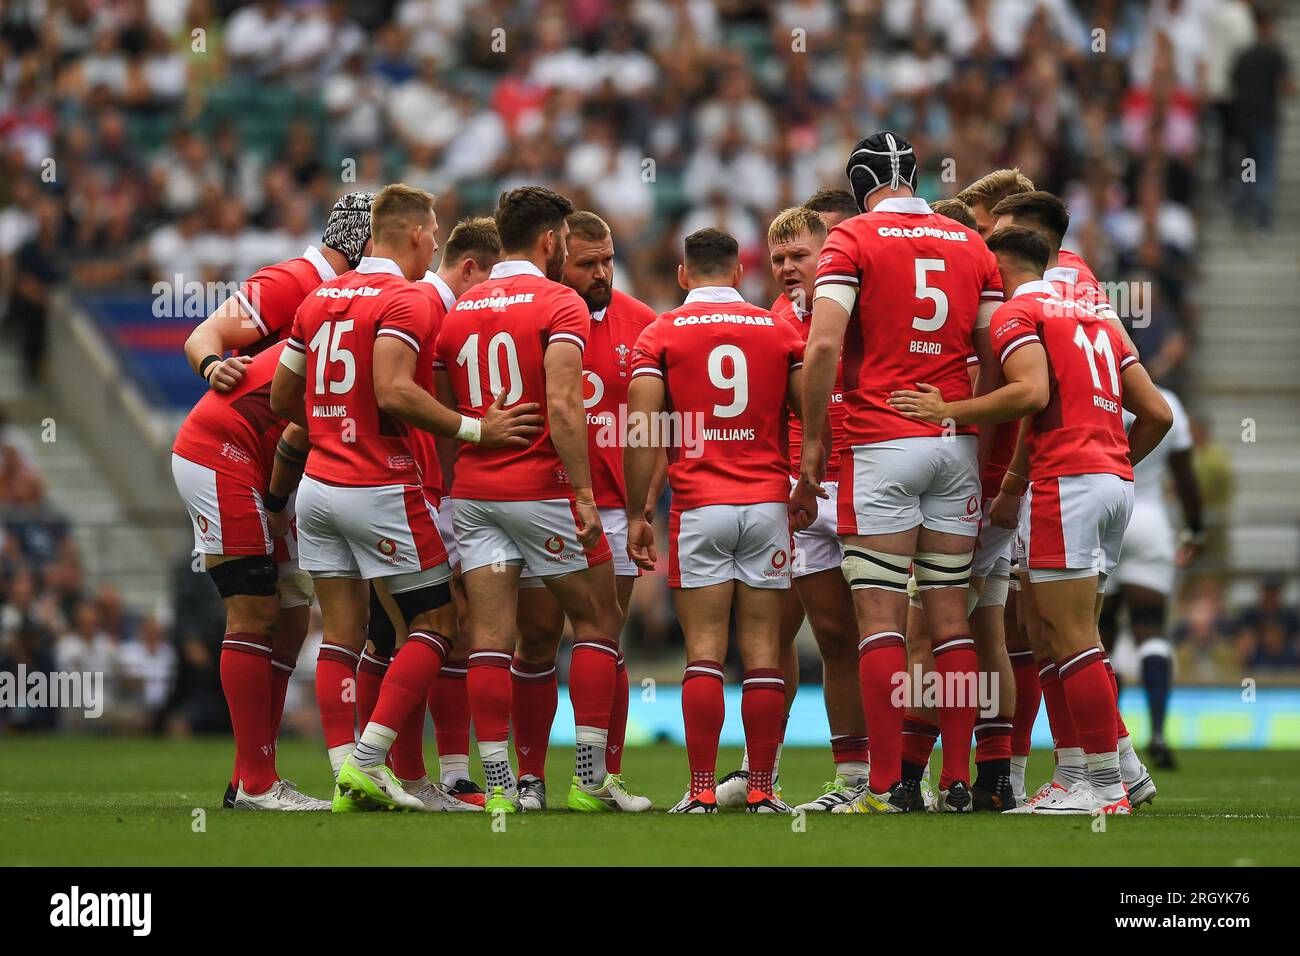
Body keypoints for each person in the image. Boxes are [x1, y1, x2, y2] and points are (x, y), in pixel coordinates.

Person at [270, 183, 541, 812]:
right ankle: (369, 760)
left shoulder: (320, 298)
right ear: (417, 235)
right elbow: (394, 392)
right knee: (438, 624)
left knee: (342, 632)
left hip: (317, 489)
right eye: (435, 233)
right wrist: (477, 428)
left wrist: (335, 422)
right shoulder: (407, 299)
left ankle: (346, 776)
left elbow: (284, 399)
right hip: (378, 485)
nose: (435, 245)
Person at [892, 224, 1173, 814]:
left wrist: (951, 408)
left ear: (1000, 269)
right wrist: (1110, 460)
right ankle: (1112, 768)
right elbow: (1157, 412)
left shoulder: (1017, 312)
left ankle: (1100, 786)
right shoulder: (1094, 313)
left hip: (1067, 484)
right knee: (1057, 635)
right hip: (1112, 483)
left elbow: (1030, 394)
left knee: (1069, 638)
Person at [797, 131, 1004, 813]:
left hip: (883, 439)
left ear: (859, 184)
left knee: (881, 619)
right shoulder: (970, 244)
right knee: (951, 620)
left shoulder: (851, 238)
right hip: (956, 440)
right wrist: (965, 416)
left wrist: (811, 447)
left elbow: (823, 342)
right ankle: (955, 781)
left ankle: (884, 785)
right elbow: (995, 354)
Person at [434, 186, 626, 814]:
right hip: (541, 490)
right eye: (568, 241)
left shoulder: (461, 309)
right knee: (599, 621)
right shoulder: (559, 302)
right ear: (551, 241)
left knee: (490, 637)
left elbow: (441, 410)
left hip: (474, 492)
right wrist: (581, 493)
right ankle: (590, 780)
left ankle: (499, 788)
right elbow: (567, 407)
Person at [625, 228, 806, 814]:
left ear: (684, 276)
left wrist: (637, 511)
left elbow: (644, 431)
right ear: (737, 274)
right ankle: (760, 788)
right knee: (760, 652)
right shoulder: (778, 329)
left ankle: (702, 790)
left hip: (700, 507)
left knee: (702, 652)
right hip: (766, 506)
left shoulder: (660, 331)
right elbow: (814, 413)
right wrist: (807, 482)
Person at [716, 205, 867, 813]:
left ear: (825, 253)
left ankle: (880, 776)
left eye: (798, 256)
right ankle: (765, 774)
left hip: (861, 483)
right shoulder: (774, 319)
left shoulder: (855, 308)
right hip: (799, 494)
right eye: (777, 259)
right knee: (795, 635)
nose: (785, 268)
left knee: (860, 637)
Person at [509, 210, 657, 812]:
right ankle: (527, 777)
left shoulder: (643, 324)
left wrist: (650, 499)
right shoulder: (536, 316)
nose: (601, 273)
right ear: (556, 258)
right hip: (542, 501)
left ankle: (603, 775)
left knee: (605, 637)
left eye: (608, 261)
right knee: (538, 637)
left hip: (615, 509)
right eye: (587, 263)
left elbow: (658, 427)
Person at [172, 341, 325, 810]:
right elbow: (297, 430)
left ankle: (248, 779)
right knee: (254, 611)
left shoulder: (348, 310)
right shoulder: (316, 295)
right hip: (226, 454)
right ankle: (258, 783)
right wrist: (211, 362)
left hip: (273, 467)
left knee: (294, 619)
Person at [1100, 386, 1201, 769]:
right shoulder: (1169, 401)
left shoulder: (1098, 391)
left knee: (1099, 635)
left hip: (1107, 511)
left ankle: (1112, 739)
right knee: (1151, 630)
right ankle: (1158, 734)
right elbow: (1186, 476)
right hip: (1151, 520)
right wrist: (1196, 528)